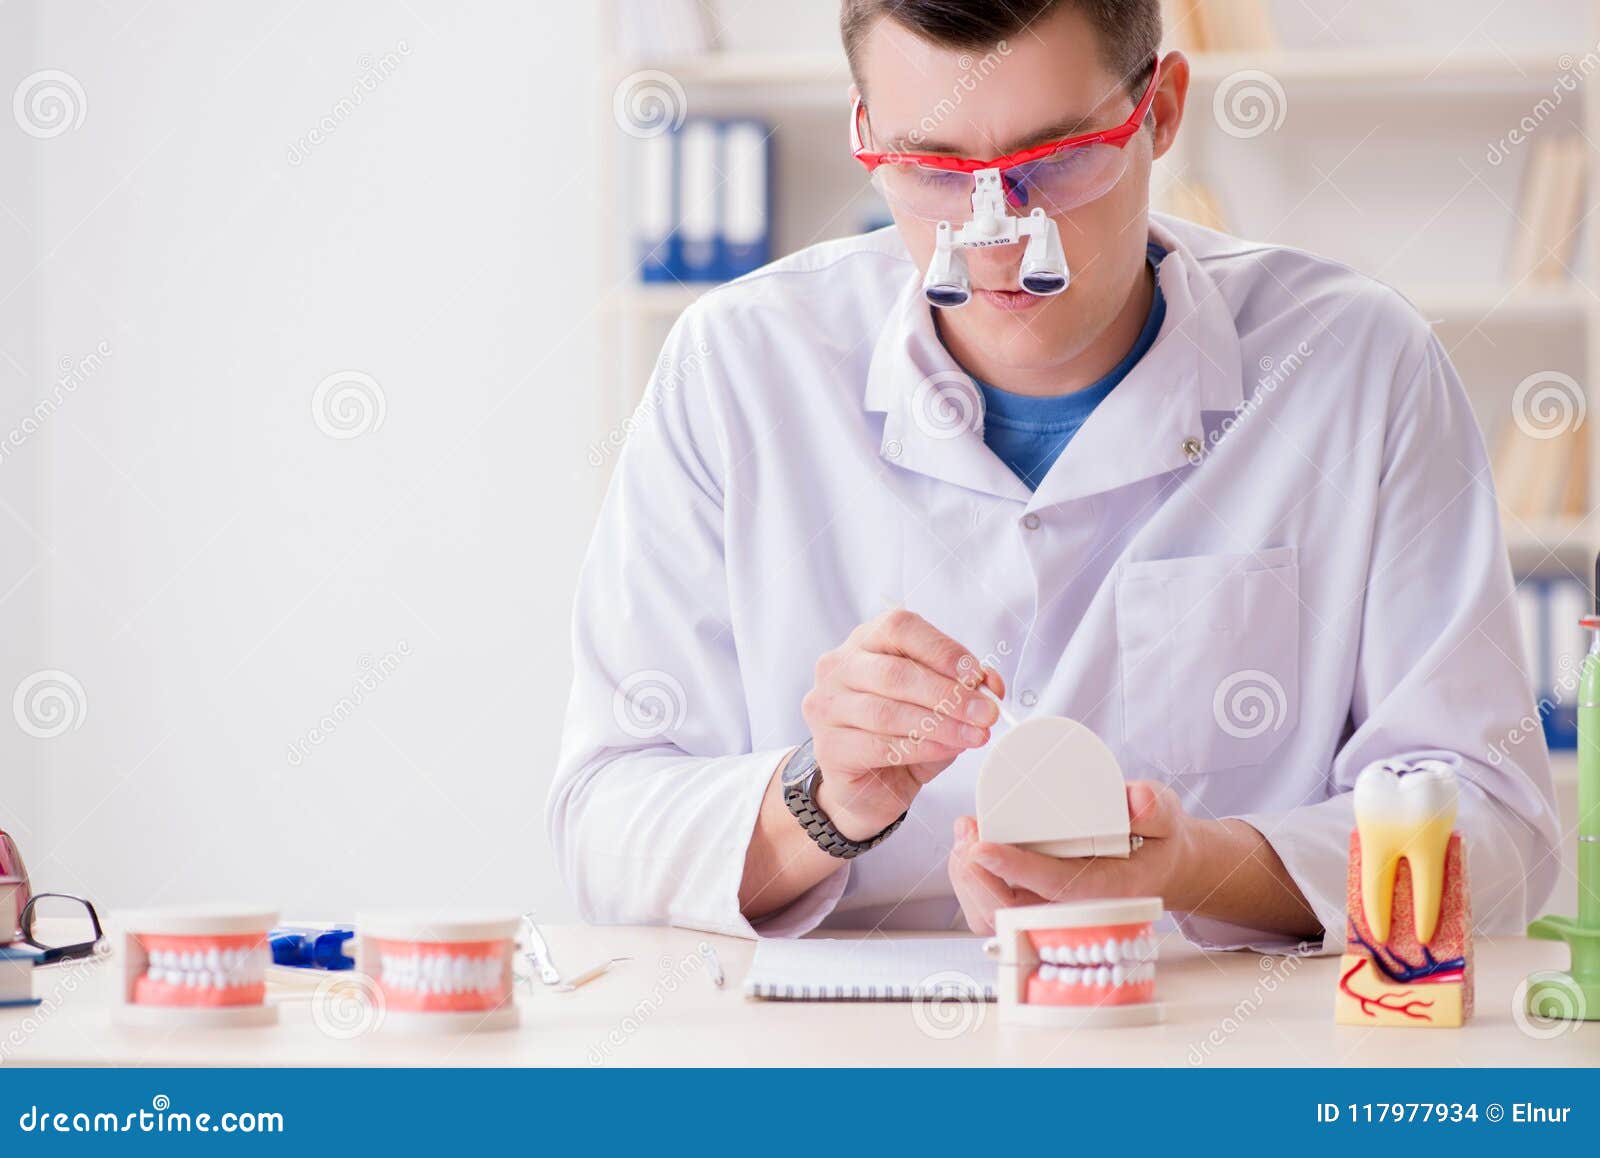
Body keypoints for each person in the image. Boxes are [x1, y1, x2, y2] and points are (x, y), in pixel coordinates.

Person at [548, 0, 1559, 951]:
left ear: (1158, 110)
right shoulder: (736, 366)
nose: (993, 238)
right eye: (931, 167)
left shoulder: (1353, 366)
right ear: (865, 133)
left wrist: (1197, 870)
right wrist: (824, 802)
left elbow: (1498, 831)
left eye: (1059, 159)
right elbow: (603, 830)